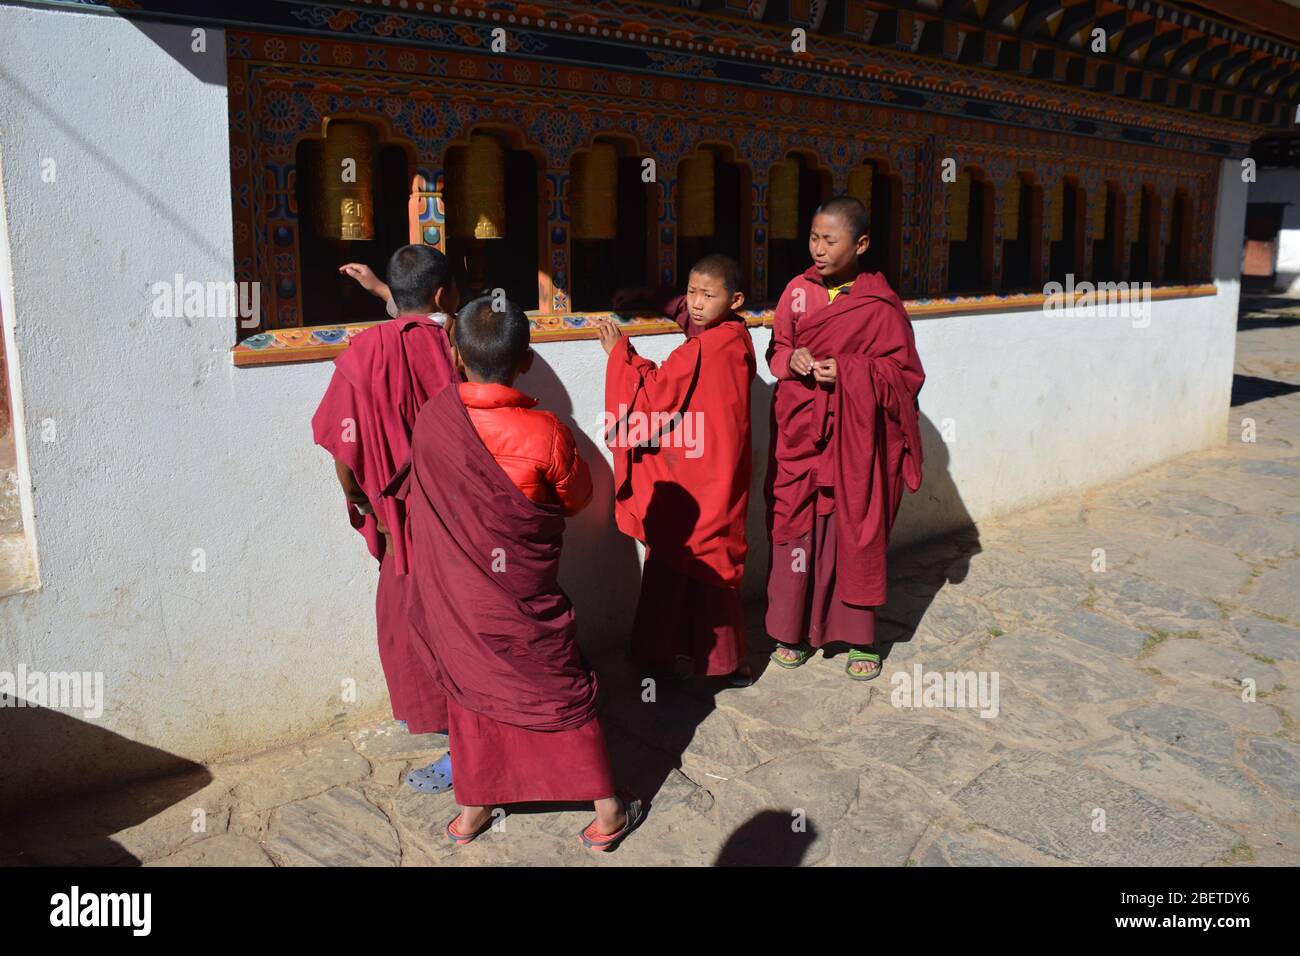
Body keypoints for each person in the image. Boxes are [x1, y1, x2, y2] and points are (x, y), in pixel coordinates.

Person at [394, 295, 642, 850]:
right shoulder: (546, 431)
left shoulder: (435, 418)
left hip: (462, 599)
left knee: (474, 686)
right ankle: (607, 812)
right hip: (522, 598)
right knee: (557, 688)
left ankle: (475, 809)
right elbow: (576, 499)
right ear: (525, 361)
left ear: (457, 356)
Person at [311, 244, 460, 791]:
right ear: (443, 296)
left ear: (397, 297)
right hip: (458, 519)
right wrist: (386, 292)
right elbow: (423, 330)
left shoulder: (365, 353)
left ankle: (460, 753)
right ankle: (465, 742)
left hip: (402, 524)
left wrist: (370, 507)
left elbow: (343, 455)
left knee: (411, 627)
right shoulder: (455, 344)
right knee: (458, 629)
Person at [765, 196, 926, 680]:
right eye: (813, 238)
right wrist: (790, 359)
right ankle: (789, 629)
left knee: (852, 530)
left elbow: (907, 375)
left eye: (829, 240)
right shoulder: (797, 291)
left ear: (860, 244)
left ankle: (858, 636)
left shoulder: (880, 304)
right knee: (797, 529)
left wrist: (854, 374)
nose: (818, 249)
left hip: (854, 442)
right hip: (801, 435)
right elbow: (777, 347)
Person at [594, 253, 756, 684]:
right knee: (712, 554)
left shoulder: (704, 349)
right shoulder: (736, 335)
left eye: (708, 294)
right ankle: (723, 662)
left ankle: (662, 655)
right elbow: (689, 318)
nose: (697, 303)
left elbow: (652, 395)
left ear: (735, 298)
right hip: (721, 471)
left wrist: (620, 354)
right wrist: (651, 294)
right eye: (692, 292)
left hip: (697, 475)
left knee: (675, 553)